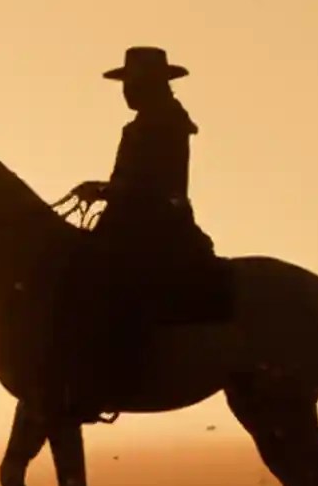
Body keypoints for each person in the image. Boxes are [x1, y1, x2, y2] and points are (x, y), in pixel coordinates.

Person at [60, 46, 219, 422]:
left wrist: (104, 191)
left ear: (150, 85)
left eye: (132, 84)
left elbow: (151, 185)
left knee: (99, 287)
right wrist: (106, 189)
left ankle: (113, 374)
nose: (126, 91)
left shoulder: (161, 123)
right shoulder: (157, 120)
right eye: (125, 84)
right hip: (138, 223)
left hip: (152, 228)